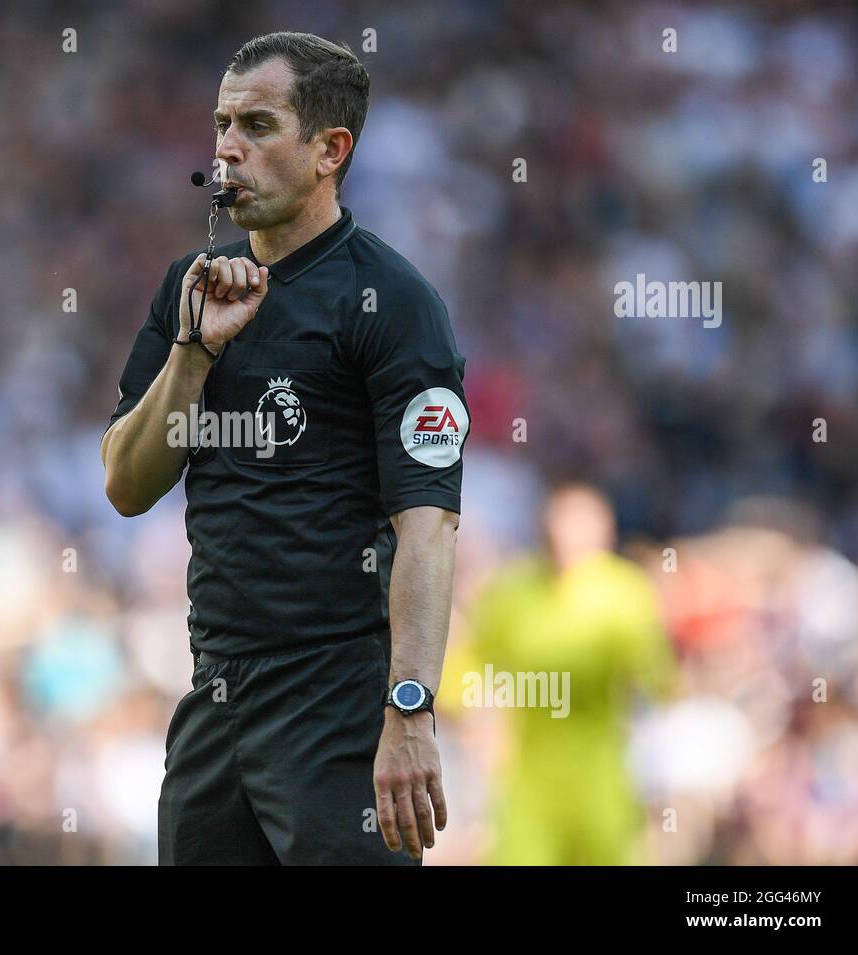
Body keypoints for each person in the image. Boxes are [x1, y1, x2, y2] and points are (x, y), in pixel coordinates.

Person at [101, 32, 470, 865]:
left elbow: (429, 526)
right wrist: (193, 353)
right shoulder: (189, 288)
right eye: (223, 123)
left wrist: (409, 712)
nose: (229, 146)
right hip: (215, 694)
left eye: (259, 125)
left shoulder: (394, 303)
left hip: (335, 701)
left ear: (328, 150)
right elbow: (126, 484)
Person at [455, 483, 677, 864]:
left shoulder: (626, 593)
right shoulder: (513, 592)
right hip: (527, 777)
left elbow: (659, 684)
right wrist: (480, 724)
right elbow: (470, 667)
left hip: (601, 776)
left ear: (605, 532)